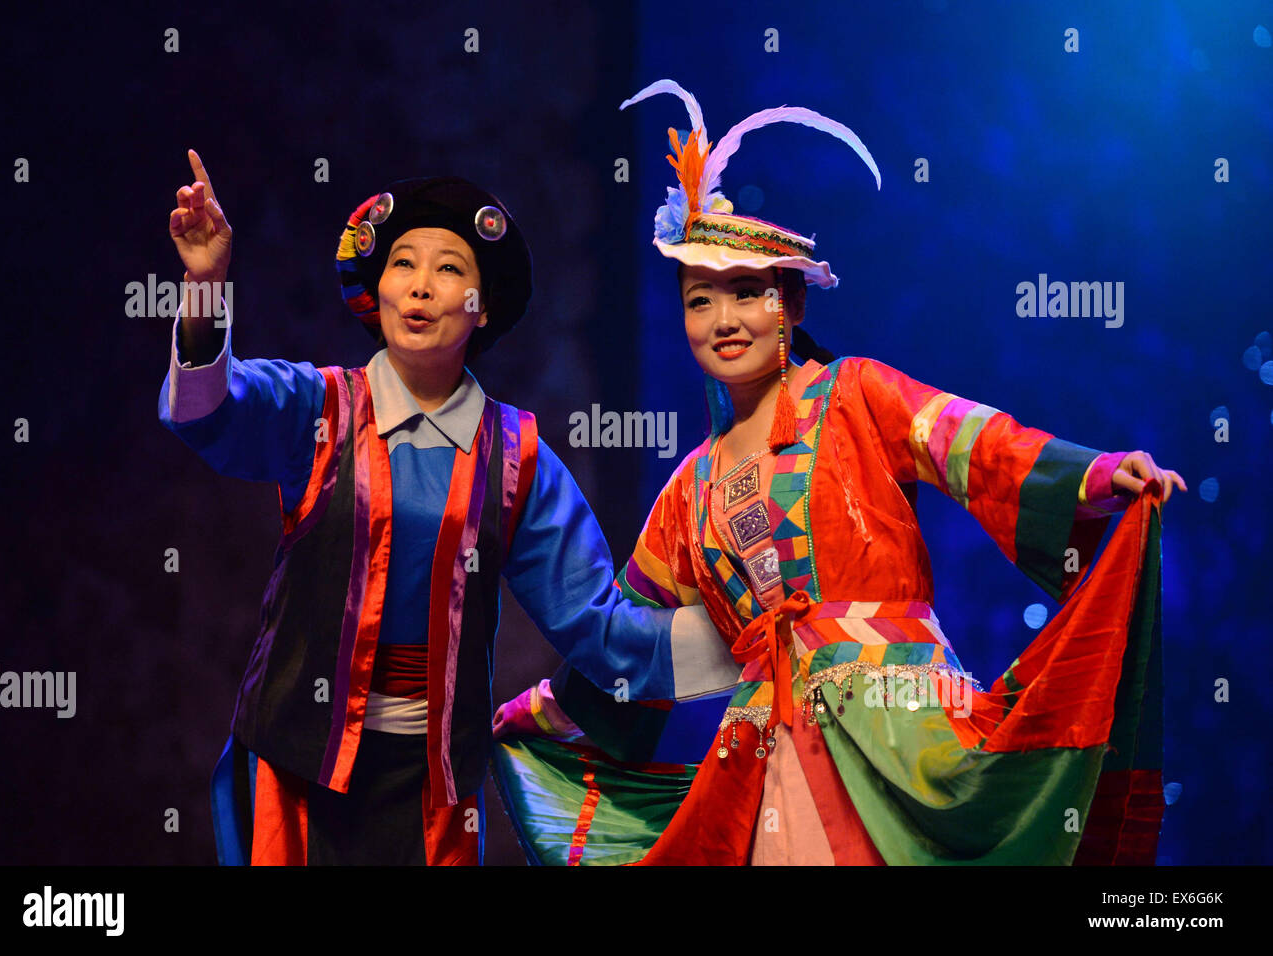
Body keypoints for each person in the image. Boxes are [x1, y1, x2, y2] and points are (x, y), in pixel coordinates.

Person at [491, 80, 1184, 866]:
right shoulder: (688, 492)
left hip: (901, 726)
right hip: (769, 749)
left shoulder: (854, 394)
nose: (723, 321)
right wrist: (544, 716)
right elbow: (628, 647)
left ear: (788, 305)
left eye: (745, 293)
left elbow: (977, 447)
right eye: (698, 300)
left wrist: (1093, 477)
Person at [157, 150, 737, 865]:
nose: (421, 287)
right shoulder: (322, 410)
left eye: (450, 268)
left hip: (430, 793)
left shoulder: (515, 456)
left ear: (482, 304)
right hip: (295, 767)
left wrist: (755, 640)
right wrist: (205, 283)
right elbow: (207, 412)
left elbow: (600, 626)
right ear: (378, 290)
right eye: (404, 263)